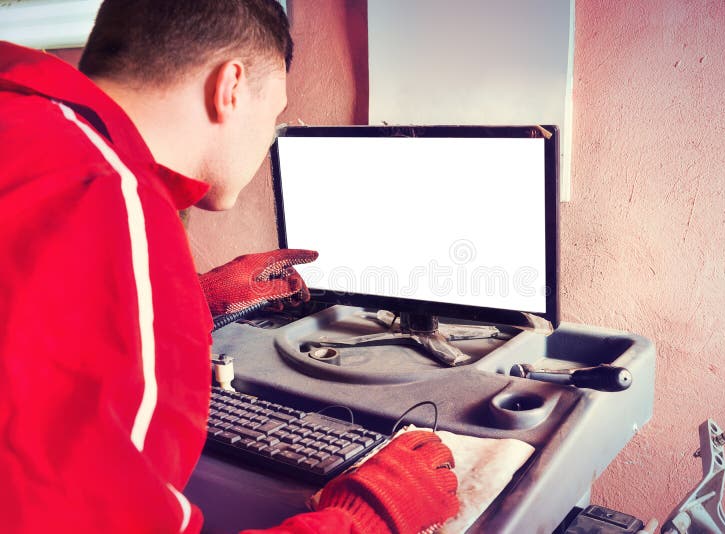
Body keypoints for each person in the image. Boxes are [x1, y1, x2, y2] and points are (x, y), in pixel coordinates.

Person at [0, 1, 459, 532]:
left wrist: (187, 302)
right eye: (274, 114)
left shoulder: (28, 132)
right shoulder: (108, 194)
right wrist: (368, 517)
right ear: (231, 87)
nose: (268, 139)